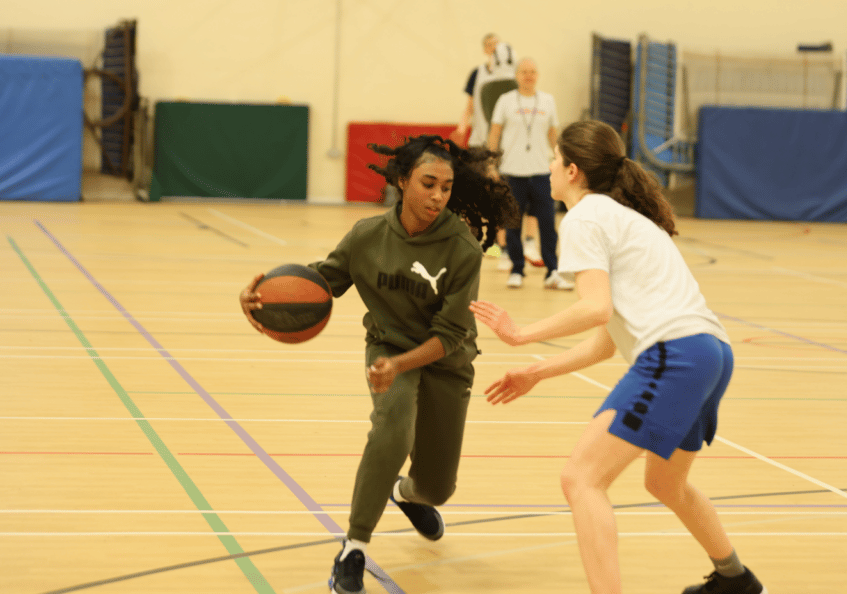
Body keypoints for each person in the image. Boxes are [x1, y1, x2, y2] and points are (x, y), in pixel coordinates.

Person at [470, 119, 767, 594]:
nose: (547, 167)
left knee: (580, 479)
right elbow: (610, 339)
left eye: (554, 159)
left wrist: (521, 334)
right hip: (711, 353)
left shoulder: (586, 217)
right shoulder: (626, 217)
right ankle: (736, 579)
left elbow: (594, 309)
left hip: (678, 356)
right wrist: (539, 371)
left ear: (572, 170)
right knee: (665, 485)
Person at [240, 136, 518, 594]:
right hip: (388, 350)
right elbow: (318, 283)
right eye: (428, 184)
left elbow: (449, 336)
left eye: (446, 188)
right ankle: (354, 548)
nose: (438, 196)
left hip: (446, 361)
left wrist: (404, 362)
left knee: (436, 489)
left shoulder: (462, 248)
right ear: (402, 181)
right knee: (392, 427)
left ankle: (403, 492)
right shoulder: (367, 237)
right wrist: (258, 301)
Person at [487, 57, 573, 290]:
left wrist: (561, 161)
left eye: (533, 71)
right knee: (513, 223)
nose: (528, 75)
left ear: (537, 75)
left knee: (547, 223)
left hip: (540, 173)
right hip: (511, 172)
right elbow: (494, 133)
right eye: (524, 71)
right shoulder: (505, 101)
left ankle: (552, 271)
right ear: (517, 75)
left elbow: (553, 135)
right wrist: (491, 163)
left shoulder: (547, 101)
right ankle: (516, 269)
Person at [451, 32, 516, 148]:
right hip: (480, 140)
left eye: (496, 44)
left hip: (504, 143)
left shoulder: (512, 76)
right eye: (489, 45)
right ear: (484, 50)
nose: (493, 47)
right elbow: (469, 108)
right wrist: (461, 130)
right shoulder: (477, 73)